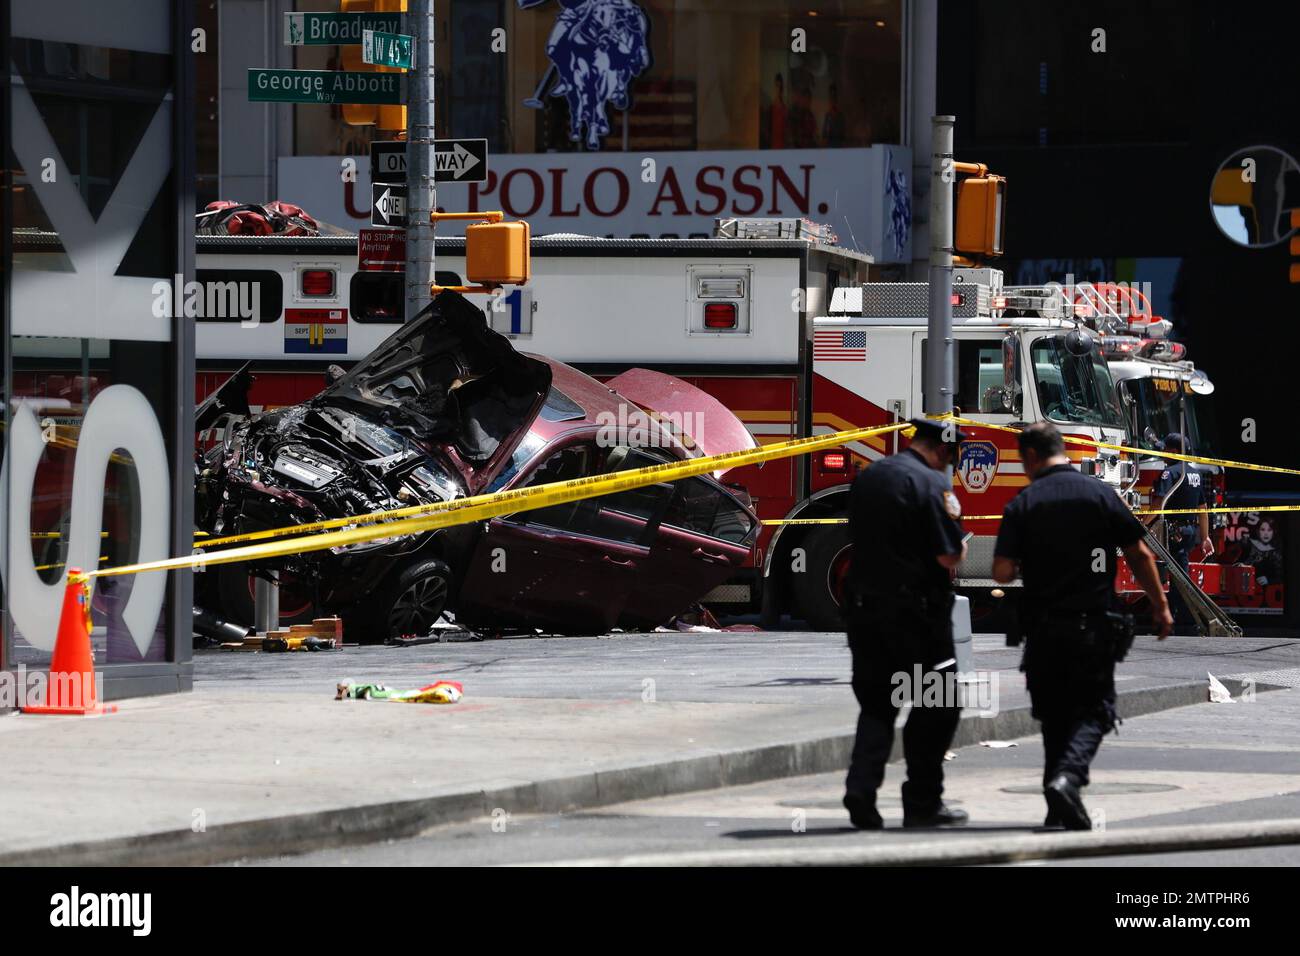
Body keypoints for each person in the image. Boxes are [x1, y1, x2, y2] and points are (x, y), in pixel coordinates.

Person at [993, 423, 1173, 831]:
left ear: (1033, 457)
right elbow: (1140, 554)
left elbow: (1001, 572)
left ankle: (1058, 804)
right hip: (1090, 627)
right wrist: (1160, 606)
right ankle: (1066, 781)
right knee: (1094, 712)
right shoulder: (1099, 495)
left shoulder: (1024, 501)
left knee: (1054, 718)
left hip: (1041, 631)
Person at [842, 418, 970, 830]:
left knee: (878, 705)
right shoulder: (932, 486)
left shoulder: (871, 476)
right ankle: (922, 802)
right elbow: (948, 557)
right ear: (943, 451)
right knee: (936, 703)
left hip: (864, 610)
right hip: (917, 618)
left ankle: (861, 790)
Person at [1147, 433, 1214, 627]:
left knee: (1171, 576)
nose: (1162, 453)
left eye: (1165, 449)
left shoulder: (1170, 473)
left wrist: (1142, 524)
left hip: (1172, 532)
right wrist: (1205, 537)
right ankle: (1183, 618)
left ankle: (1179, 619)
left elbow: (1158, 504)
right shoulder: (1195, 473)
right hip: (1188, 532)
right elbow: (1203, 509)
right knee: (1180, 574)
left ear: (1174, 452)